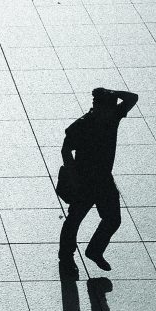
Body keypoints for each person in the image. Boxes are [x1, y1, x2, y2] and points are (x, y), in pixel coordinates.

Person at [58, 86, 139, 279]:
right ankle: (66, 257)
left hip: (104, 179)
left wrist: (112, 93)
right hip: (84, 180)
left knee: (113, 219)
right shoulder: (83, 125)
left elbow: (133, 98)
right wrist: (73, 174)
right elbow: (65, 149)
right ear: (97, 108)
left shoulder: (112, 117)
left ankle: (94, 250)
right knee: (74, 220)